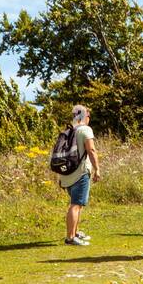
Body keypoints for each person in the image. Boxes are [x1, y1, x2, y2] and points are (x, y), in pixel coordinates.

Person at [59, 104, 99, 246]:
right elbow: (91, 150)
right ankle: (70, 238)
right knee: (75, 205)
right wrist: (97, 169)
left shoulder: (69, 131)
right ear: (85, 116)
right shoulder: (85, 130)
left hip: (66, 174)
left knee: (78, 204)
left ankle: (75, 232)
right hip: (80, 172)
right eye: (88, 116)